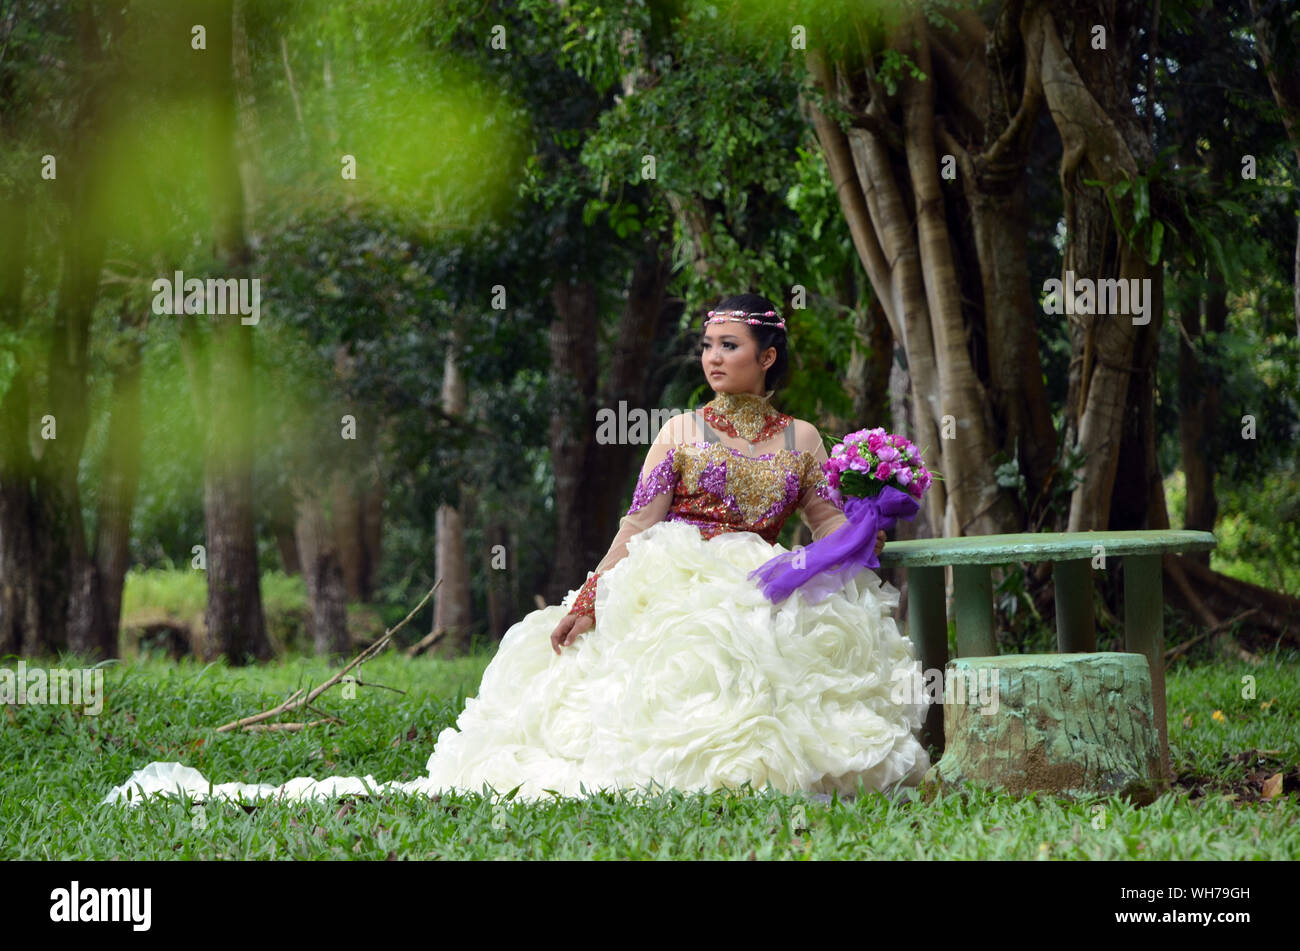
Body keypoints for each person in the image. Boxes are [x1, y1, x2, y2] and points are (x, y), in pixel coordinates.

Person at [104, 293, 931, 808]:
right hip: (679, 574)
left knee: (780, 660)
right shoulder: (679, 432)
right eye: (707, 345)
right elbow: (637, 528)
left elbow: (824, 521)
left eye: (730, 346)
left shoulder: (803, 437)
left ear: (768, 356)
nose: (713, 358)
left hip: (763, 576)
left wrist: (865, 526)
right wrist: (588, 597)